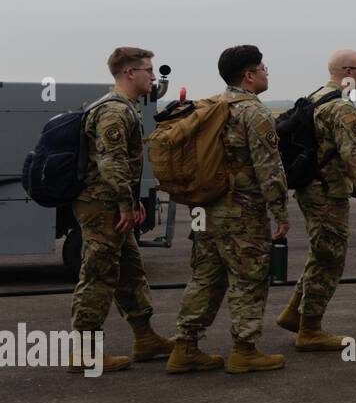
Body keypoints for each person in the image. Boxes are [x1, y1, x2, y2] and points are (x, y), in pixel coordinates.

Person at [167, 46, 290, 374]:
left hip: (205, 209)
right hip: (241, 212)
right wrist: (280, 211)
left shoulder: (210, 107)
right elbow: (269, 169)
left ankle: (184, 347)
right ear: (249, 75)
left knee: (205, 277)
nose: (267, 73)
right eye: (263, 68)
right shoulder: (255, 112)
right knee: (249, 278)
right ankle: (244, 350)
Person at [274, 50, 356, 350]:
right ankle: (310, 329)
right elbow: (353, 154)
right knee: (330, 259)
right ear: (349, 71)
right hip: (327, 190)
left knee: (321, 251)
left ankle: (293, 314)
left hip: (310, 186)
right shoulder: (342, 107)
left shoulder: (316, 97)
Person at [68, 47, 173, 373]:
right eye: (148, 70)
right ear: (130, 73)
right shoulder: (114, 111)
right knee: (99, 274)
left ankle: (145, 337)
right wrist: (126, 204)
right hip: (102, 205)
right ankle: (84, 352)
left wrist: (133, 201)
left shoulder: (123, 107)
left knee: (129, 270)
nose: (153, 77)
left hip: (111, 201)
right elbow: (110, 163)